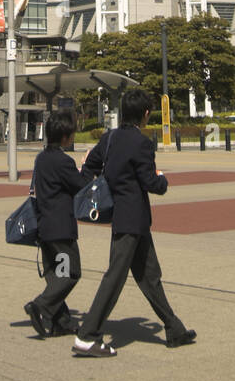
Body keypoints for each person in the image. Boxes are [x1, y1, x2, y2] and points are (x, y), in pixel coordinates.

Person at [73, 88, 196, 358]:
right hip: (133, 219)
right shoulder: (141, 143)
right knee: (115, 277)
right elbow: (151, 182)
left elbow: (88, 167)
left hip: (123, 217)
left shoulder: (109, 138)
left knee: (149, 276)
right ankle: (87, 335)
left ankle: (174, 328)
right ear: (146, 114)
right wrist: (162, 179)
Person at [24, 112, 87, 339]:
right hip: (61, 228)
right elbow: (82, 186)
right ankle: (40, 306)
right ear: (64, 137)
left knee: (55, 275)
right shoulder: (64, 161)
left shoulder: (41, 158)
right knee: (70, 273)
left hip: (44, 227)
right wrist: (86, 167)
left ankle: (61, 322)